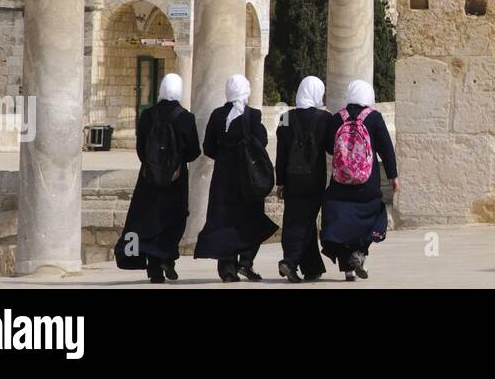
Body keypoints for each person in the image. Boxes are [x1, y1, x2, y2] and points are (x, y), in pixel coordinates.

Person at [114, 73, 201, 283]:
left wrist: (152, 164)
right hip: (176, 179)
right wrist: (176, 164)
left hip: (149, 178)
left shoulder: (147, 115)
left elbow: (141, 148)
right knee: (174, 218)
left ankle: (154, 269)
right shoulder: (186, 117)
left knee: (150, 219)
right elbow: (194, 151)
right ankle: (167, 257)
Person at [194, 74, 278, 281]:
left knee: (225, 221)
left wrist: (226, 155)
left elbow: (209, 148)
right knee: (252, 219)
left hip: (224, 177)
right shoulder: (253, 116)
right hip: (248, 178)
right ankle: (246, 262)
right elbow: (261, 142)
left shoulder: (217, 115)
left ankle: (227, 270)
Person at [320, 80, 398, 282]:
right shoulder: (374, 118)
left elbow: (330, 147)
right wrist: (393, 176)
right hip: (367, 182)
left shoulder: (338, 118)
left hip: (340, 182)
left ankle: (348, 268)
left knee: (341, 220)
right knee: (374, 215)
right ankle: (360, 252)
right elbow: (387, 150)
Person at [275, 75, 334, 283]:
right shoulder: (324, 117)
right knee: (304, 221)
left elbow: (281, 153)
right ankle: (289, 262)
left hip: (291, 180)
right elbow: (331, 148)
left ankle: (312, 267)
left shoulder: (286, 117)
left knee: (296, 219)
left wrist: (279, 181)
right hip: (313, 179)